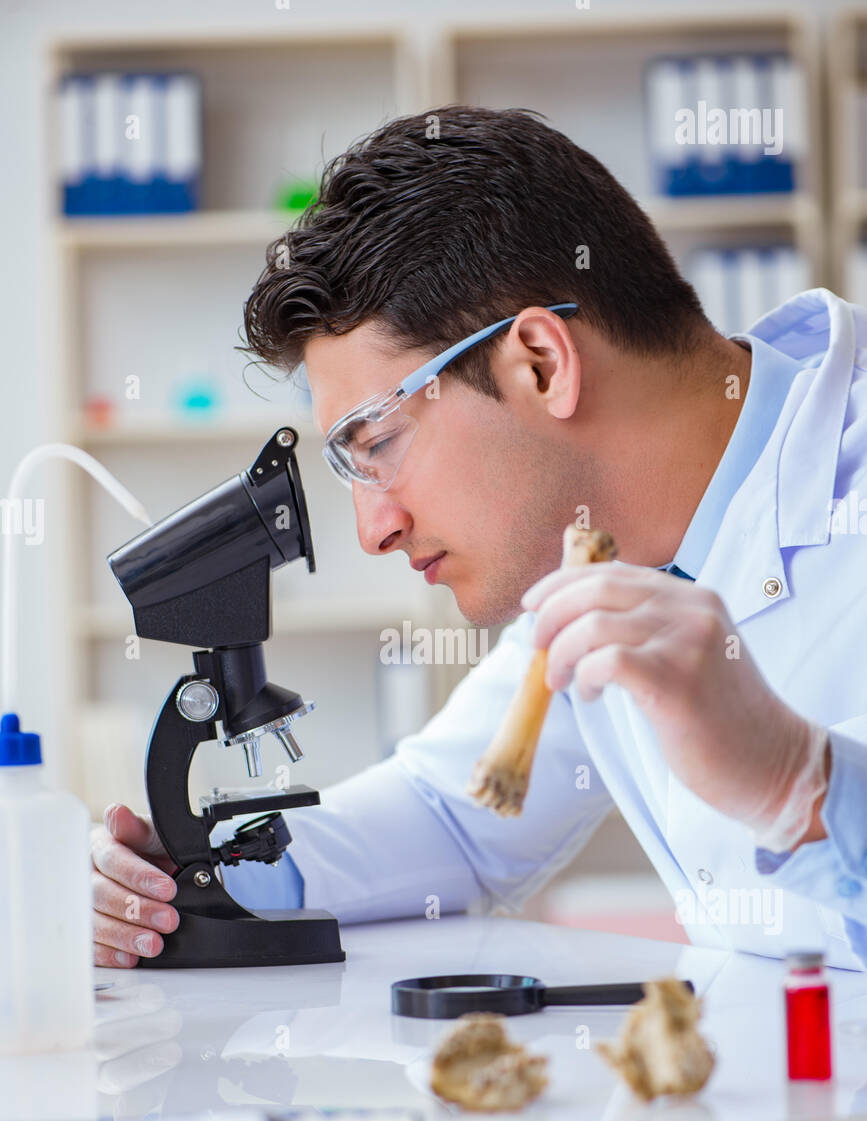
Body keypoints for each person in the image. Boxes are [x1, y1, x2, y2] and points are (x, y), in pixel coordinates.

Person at [91, 106, 867, 972]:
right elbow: (452, 815)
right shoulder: (596, 555)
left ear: (539, 362)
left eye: (376, 443)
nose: (373, 529)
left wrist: (805, 786)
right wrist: (203, 877)